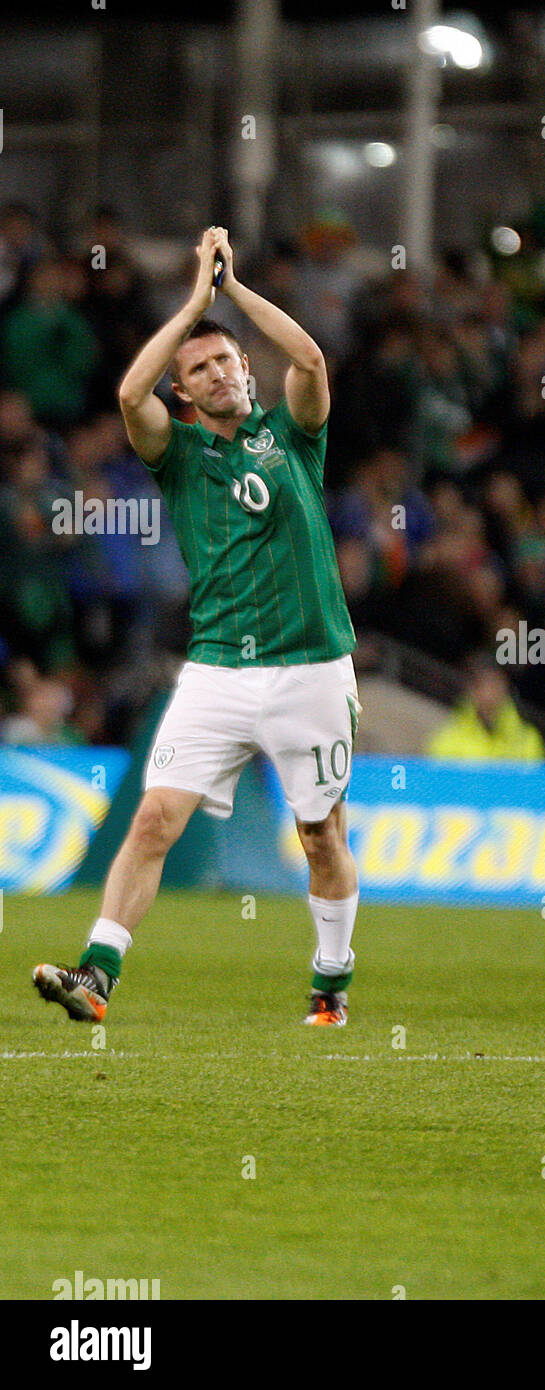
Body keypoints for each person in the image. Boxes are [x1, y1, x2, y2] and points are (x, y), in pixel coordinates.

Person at [32, 227, 361, 1028]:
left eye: (225, 360)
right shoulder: (174, 454)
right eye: (199, 369)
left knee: (320, 839)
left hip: (312, 667)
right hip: (216, 670)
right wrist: (190, 307)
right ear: (184, 393)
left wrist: (234, 290)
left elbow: (312, 361)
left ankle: (330, 981)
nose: (216, 372)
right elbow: (125, 398)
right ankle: (99, 974)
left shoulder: (294, 437)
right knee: (153, 820)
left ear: (248, 369)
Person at [426, 656, 545, 762]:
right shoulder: (447, 741)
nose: (490, 692)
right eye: (483, 685)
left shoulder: (527, 740)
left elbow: (534, 784)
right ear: (471, 690)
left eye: (496, 684)